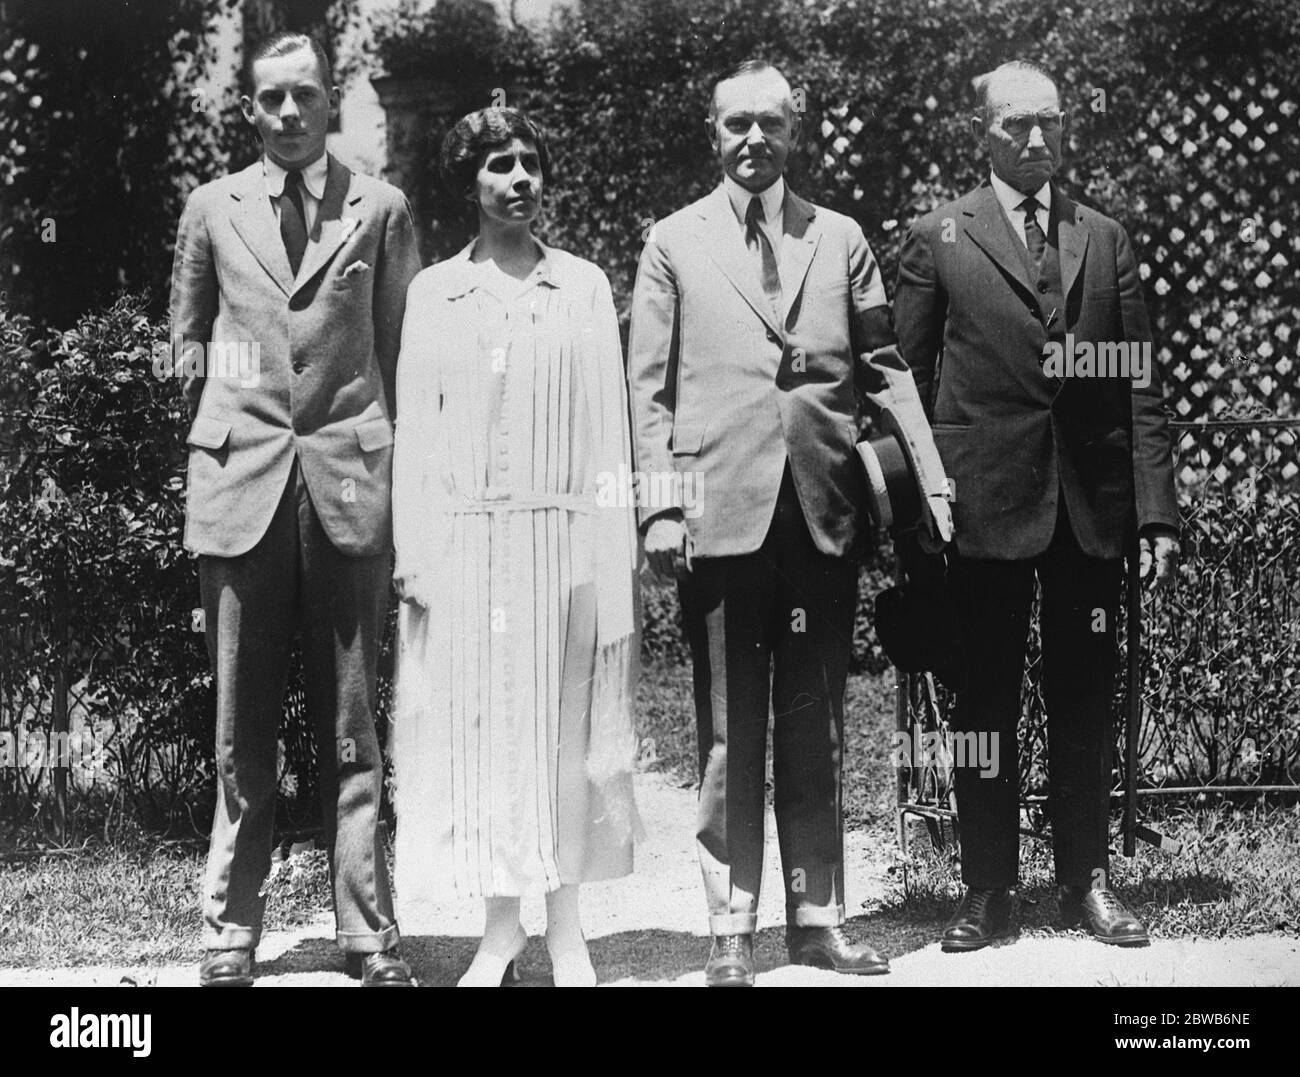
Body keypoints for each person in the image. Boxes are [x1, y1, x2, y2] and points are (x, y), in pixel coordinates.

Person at [627, 60, 950, 986]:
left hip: (820, 512)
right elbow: (647, 389)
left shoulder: (840, 238)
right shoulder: (672, 243)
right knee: (729, 731)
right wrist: (655, 503)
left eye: (771, 122)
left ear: (796, 129)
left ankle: (815, 917)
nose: (754, 140)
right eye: (737, 124)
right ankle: (731, 926)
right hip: (718, 513)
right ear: (713, 132)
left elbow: (886, 366)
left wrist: (930, 479)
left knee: (817, 722)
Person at [893, 60, 1181, 952]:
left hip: (1087, 513)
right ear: (982, 132)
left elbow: (1137, 382)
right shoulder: (938, 235)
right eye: (1015, 124)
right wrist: (917, 511)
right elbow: (902, 385)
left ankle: (1086, 879)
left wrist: (1156, 512)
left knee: (1085, 695)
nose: (1033, 139)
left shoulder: (1104, 237)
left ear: (1064, 130)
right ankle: (987, 887)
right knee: (984, 705)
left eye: (1047, 123)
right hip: (981, 512)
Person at [170, 31, 421, 987]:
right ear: (250, 109)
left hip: (351, 488)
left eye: (304, 97)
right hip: (241, 486)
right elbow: (183, 346)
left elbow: (402, 356)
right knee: (241, 722)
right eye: (270, 99)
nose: (287, 114)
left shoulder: (382, 208)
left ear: (332, 103)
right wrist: (236, 418)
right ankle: (230, 928)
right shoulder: (210, 208)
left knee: (355, 721)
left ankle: (367, 930)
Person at [390, 107, 641, 988]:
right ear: (470, 182)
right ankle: (500, 926)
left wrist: (615, 556)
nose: (520, 178)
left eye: (532, 161)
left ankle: (567, 925)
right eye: (500, 164)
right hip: (466, 551)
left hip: (562, 541)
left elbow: (610, 433)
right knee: (486, 733)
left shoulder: (583, 287)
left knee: (564, 735)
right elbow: (417, 435)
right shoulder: (434, 293)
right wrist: (415, 557)